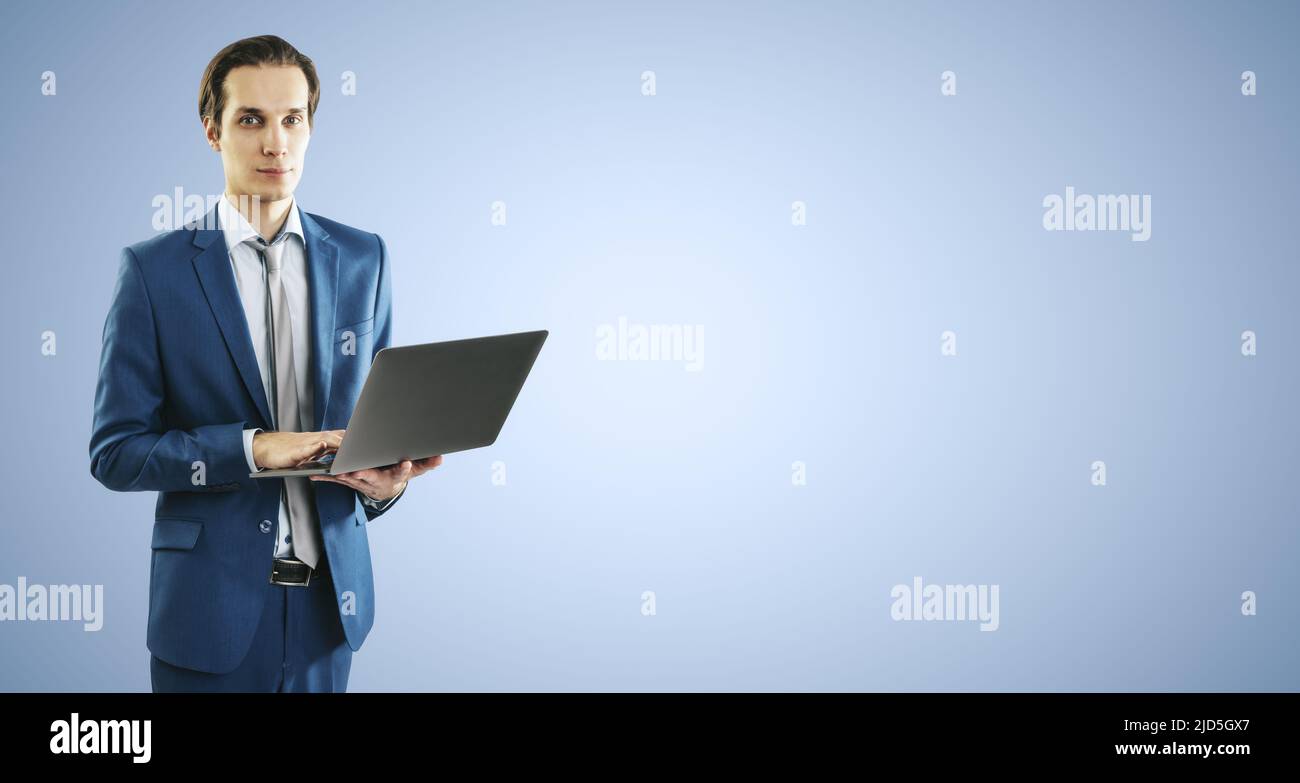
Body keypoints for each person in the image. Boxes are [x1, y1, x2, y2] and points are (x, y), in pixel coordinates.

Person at [88, 34, 442, 692]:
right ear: (212, 131)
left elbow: (373, 427)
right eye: (250, 119)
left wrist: (388, 483)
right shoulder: (153, 271)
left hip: (330, 611)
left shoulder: (365, 259)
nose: (275, 143)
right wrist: (257, 449)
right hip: (207, 614)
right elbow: (116, 451)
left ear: (310, 127)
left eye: (292, 119)